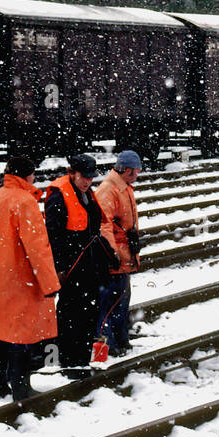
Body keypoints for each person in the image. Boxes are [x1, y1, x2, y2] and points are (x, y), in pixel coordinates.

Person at [0, 155, 60, 401]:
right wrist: (49, 283)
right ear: (28, 175)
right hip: (20, 280)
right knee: (21, 333)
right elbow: (38, 248)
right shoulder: (25, 202)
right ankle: (21, 387)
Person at [43, 153, 117, 373]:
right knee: (70, 314)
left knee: (88, 313)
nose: (87, 181)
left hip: (89, 266)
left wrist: (108, 253)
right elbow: (53, 236)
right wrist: (60, 268)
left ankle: (82, 359)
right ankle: (69, 361)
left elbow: (93, 231)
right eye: (83, 177)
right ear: (72, 173)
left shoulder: (87, 195)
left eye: (90, 177)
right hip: (73, 268)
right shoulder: (59, 196)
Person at [94, 150, 143, 356]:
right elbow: (104, 225)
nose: (138, 175)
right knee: (110, 303)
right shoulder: (109, 190)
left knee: (121, 300)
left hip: (123, 255)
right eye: (136, 171)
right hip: (115, 257)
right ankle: (108, 344)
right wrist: (112, 253)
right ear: (128, 170)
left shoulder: (123, 187)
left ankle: (120, 339)